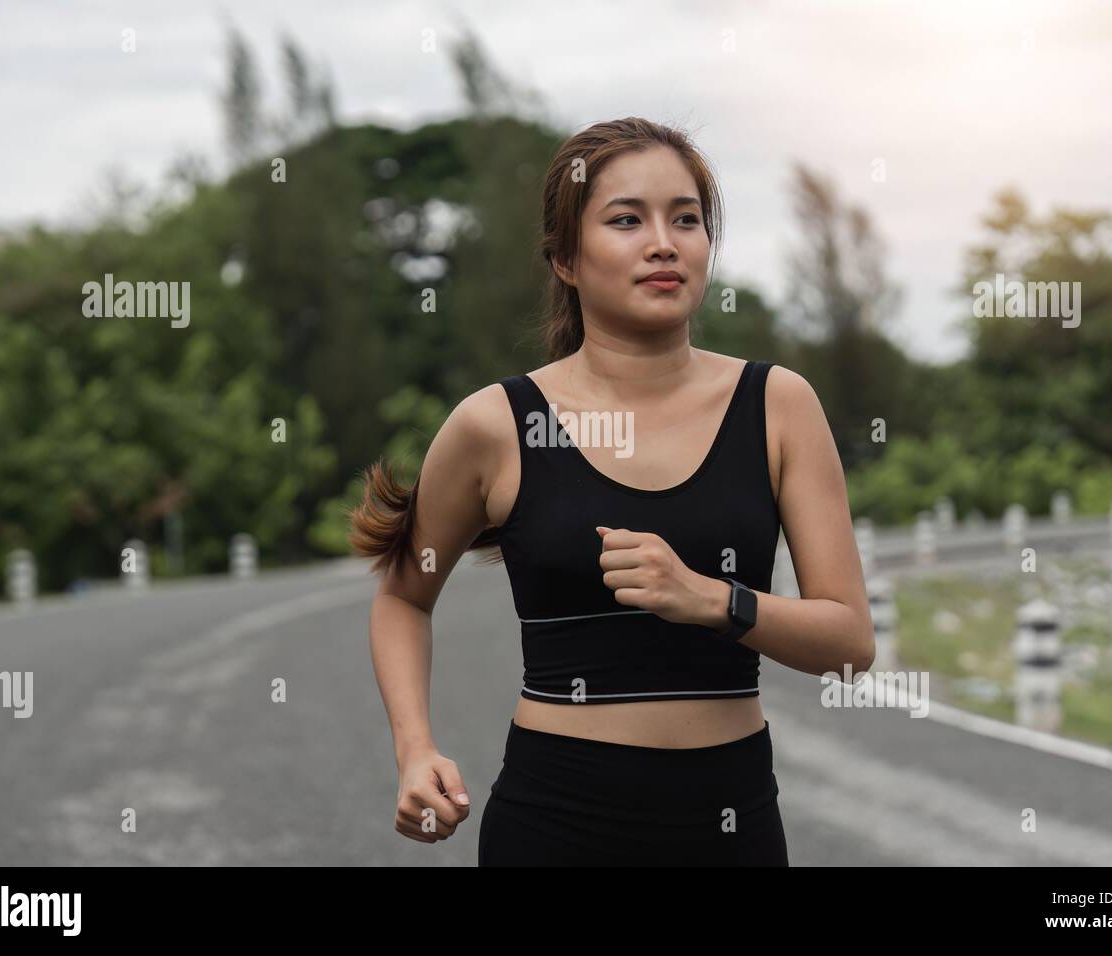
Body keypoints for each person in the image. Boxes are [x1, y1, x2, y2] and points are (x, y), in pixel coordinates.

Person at [351, 117, 874, 866]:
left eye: (686, 219)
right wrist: (414, 749)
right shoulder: (498, 425)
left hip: (731, 822)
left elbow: (850, 644)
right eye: (627, 219)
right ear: (565, 257)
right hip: (555, 824)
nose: (664, 242)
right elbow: (404, 597)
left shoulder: (778, 406)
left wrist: (711, 599)